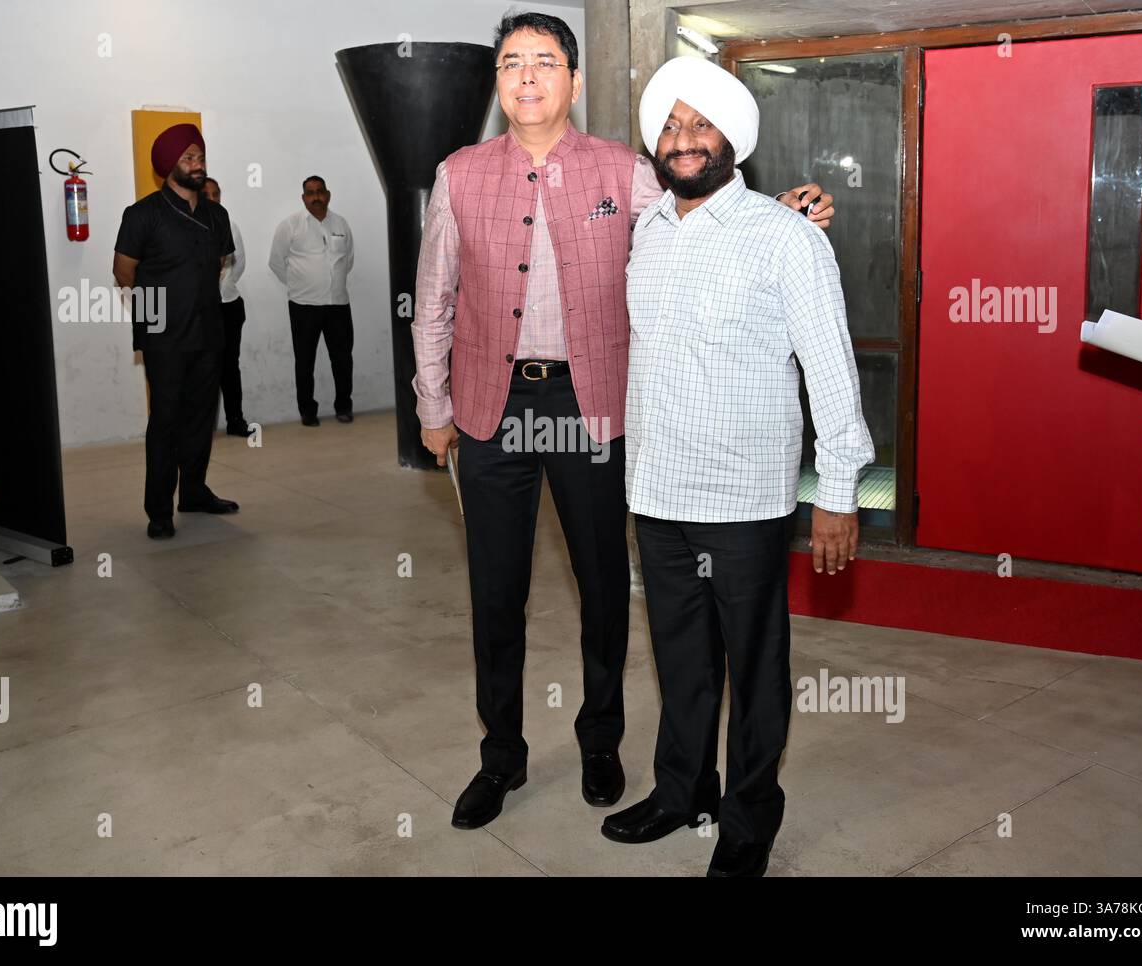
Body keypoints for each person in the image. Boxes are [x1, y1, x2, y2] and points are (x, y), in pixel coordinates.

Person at [411, 11, 836, 831]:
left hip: (592, 407)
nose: (527, 77)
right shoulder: (459, 173)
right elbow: (433, 300)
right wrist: (434, 409)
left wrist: (788, 208)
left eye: (544, 62)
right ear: (497, 83)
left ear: (574, 79)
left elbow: (705, 208)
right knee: (494, 595)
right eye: (510, 64)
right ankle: (500, 755)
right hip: (490, 411)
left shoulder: (625, 171)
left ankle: (600, 739)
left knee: (604, 589)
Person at [600, 56, 874, 877]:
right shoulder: (646, 229)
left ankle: (750, 820)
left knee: (755, 667)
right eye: (670, 126)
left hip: (746, 498)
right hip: (656, 489)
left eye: (700, 124)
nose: (684, 140)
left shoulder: (785, 237)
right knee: (680, 657)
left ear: (733, 138)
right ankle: (681, 789)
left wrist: (838, 492)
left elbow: (830, 369)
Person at [113, 123, 240, 539]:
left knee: (202, 418)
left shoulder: (216, 214)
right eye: (188, 158)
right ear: (169, 165)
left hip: (208, 331)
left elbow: (222, 261)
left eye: (200, 156)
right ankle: (159, 509)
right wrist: (156, 315)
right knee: (166, 420)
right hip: (164, 336)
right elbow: (123, 272)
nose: (197, 164)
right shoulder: (142, 214)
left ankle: (195, 492)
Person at [268, 176, 356, 426]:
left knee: (342, 359)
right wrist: (300, 285)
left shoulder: (341, 223)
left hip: (338, 304)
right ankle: (308, 411)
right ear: (303, 198)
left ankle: (344, 407)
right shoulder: (290, 226)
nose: (316, 197)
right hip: (303, 306)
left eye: (320, 192)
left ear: (328, 194)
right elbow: (276, 262)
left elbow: (348, 261)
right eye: (310, 193)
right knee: (305, 361)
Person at [200, 176, 253, 437]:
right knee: (203, 369)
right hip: (200, 310)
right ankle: (202, 426)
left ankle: (235, 420)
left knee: (230, 366)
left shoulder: (229, 225)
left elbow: (238, 263)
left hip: (228, 305)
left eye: (216, 193)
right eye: (207, 194)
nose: (212, 198)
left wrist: (223, 285)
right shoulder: (191, 225)